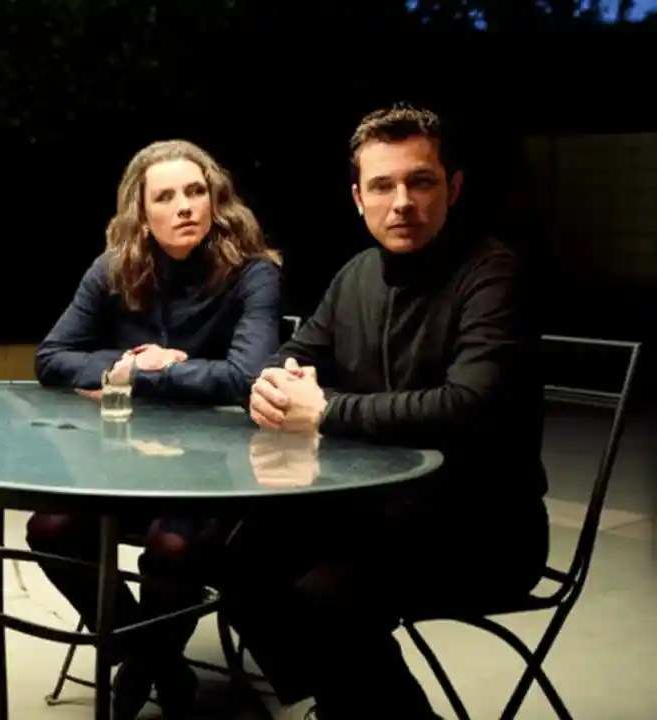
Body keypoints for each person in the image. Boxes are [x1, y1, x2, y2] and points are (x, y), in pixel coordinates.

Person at [230, 103, 550, 720]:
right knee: (238, 560)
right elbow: (298, 352)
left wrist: (322, 410)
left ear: (451, 189)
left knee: (325, 597)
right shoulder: (355, 275)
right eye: (382, 185)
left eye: (420, 181)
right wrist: (270, 385)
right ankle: (351, 702)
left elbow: (466, 404)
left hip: (484, 528)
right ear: (358, 197)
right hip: (378, 512)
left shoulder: (493, 274)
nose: (402, 201)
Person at [29, 139, 282, 719]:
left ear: (215, 200)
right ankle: (153, 657)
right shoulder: (114, 267)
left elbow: (247, 377)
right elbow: (51, 358)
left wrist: (146, 376)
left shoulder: (253, 274)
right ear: (142, 213)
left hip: (219, 468)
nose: (184, 206)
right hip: (123, 459)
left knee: (173, 548)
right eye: (165, 196)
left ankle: (143, 668)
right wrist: (128, 367)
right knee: (50, 528)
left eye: (195, 192)